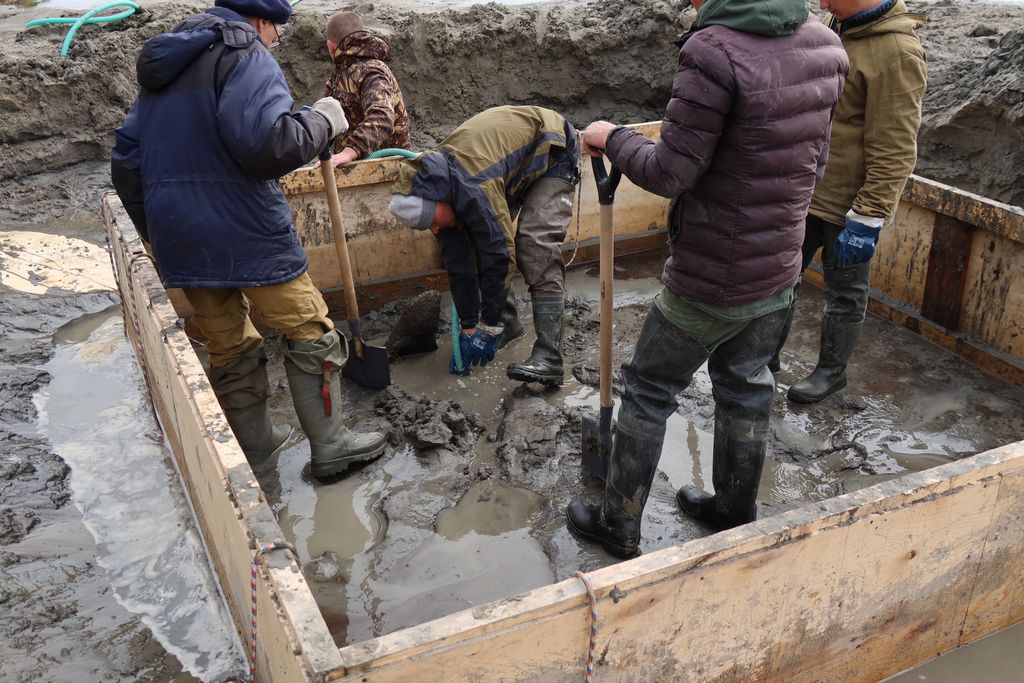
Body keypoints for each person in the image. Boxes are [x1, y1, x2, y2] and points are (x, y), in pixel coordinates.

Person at [566, 0, 849, 558]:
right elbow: (814, 162)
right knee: (746, 389)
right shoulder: (824, 44)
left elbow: (672, 171)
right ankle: (732, 510)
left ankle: (618, 525)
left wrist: (613, 136)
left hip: (712, 275)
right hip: (778, 267)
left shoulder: (712, 50)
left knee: (648, 390)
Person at [110, 0, 387, 479]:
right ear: (260, 20)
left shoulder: (165, 67)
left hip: (181, 236)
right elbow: (269, 146)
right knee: (308, 328)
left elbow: (126, 162)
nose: (275, 40)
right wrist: (323, 120)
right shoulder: (246, 55)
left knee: (229, 343)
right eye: (275, 31)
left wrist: (160, 231)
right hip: (246, 231)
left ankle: (256, 453)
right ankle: (333, 448)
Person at [775, 0, 927, 404]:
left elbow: (895, 147)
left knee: (844, 292)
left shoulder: (897, 53)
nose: (821, 3)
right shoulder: (835, 25)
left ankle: (830, 372)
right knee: (779, 281)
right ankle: (764, 356)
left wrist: (869, 217)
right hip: (806, 189)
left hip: (848, 204)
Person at [387, 105, 580, 386]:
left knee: (533, 246)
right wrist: (467, 327)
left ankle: (549, 357)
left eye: (433, 221)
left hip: (552, 151)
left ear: (439, 200)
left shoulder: (474, 187)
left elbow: (499, 254)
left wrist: (487, 327)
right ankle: (509, 326)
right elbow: (459, 264)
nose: (434, 228)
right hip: (509, 163)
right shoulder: (442, 188)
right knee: (475, 245)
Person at [320, 11, 412, 168]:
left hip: (387, 167)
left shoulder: (371, 72)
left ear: (331, 46)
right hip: (357, 164)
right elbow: (324, 114)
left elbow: (382, 117)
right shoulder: (341, 73)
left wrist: (348, 152)